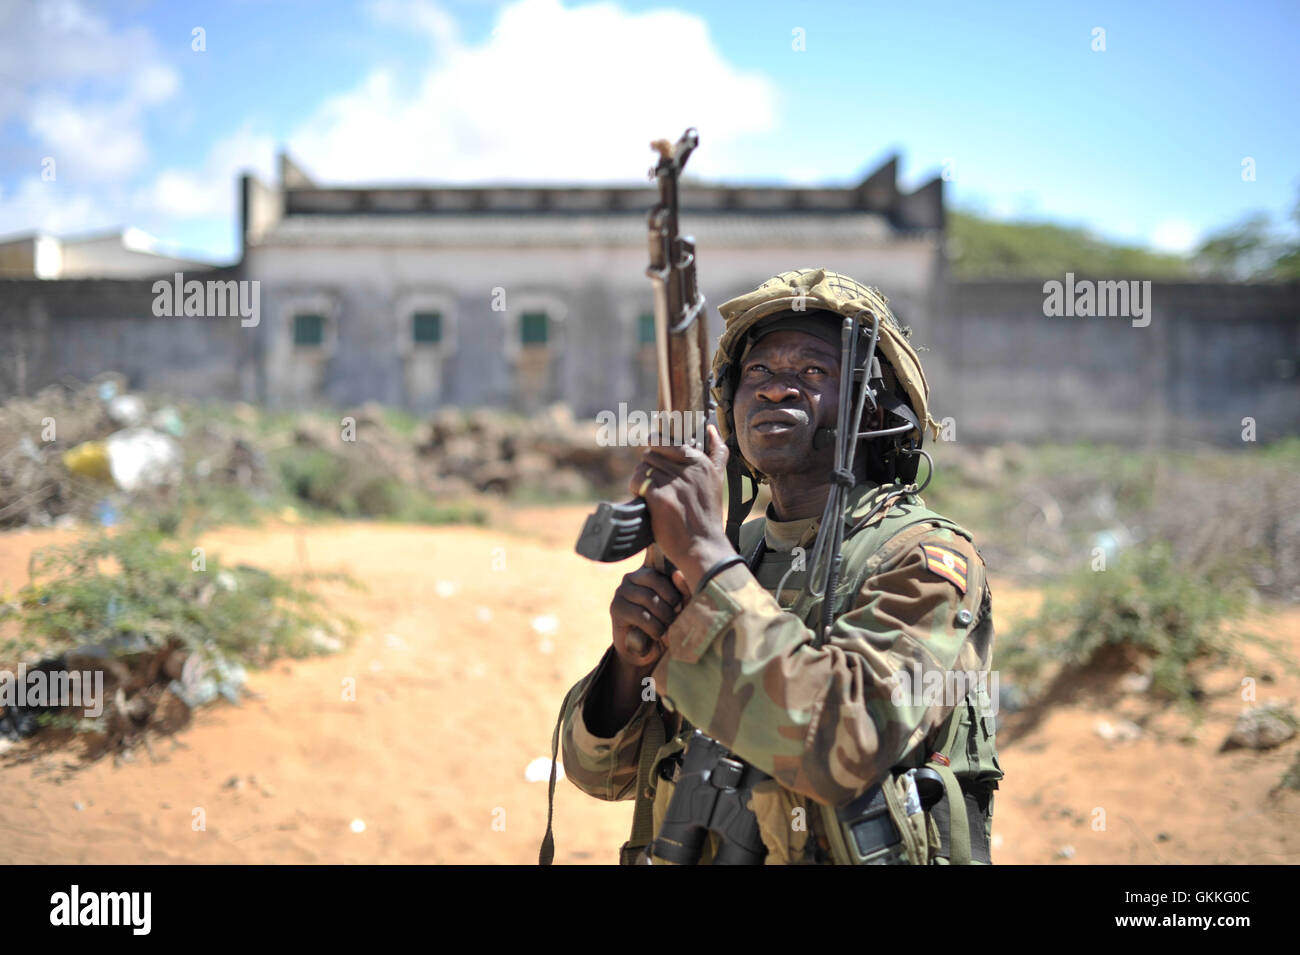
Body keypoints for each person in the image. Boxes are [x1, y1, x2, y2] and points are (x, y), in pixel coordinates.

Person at [552, 268, 1003, 865]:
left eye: (813, 372)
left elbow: (847, 745)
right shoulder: (739, 554)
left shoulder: (922, 560)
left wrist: (708, 561)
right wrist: (629, 665)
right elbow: (599, 774)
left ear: (874, 409)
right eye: (758, 372)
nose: (774, 389)